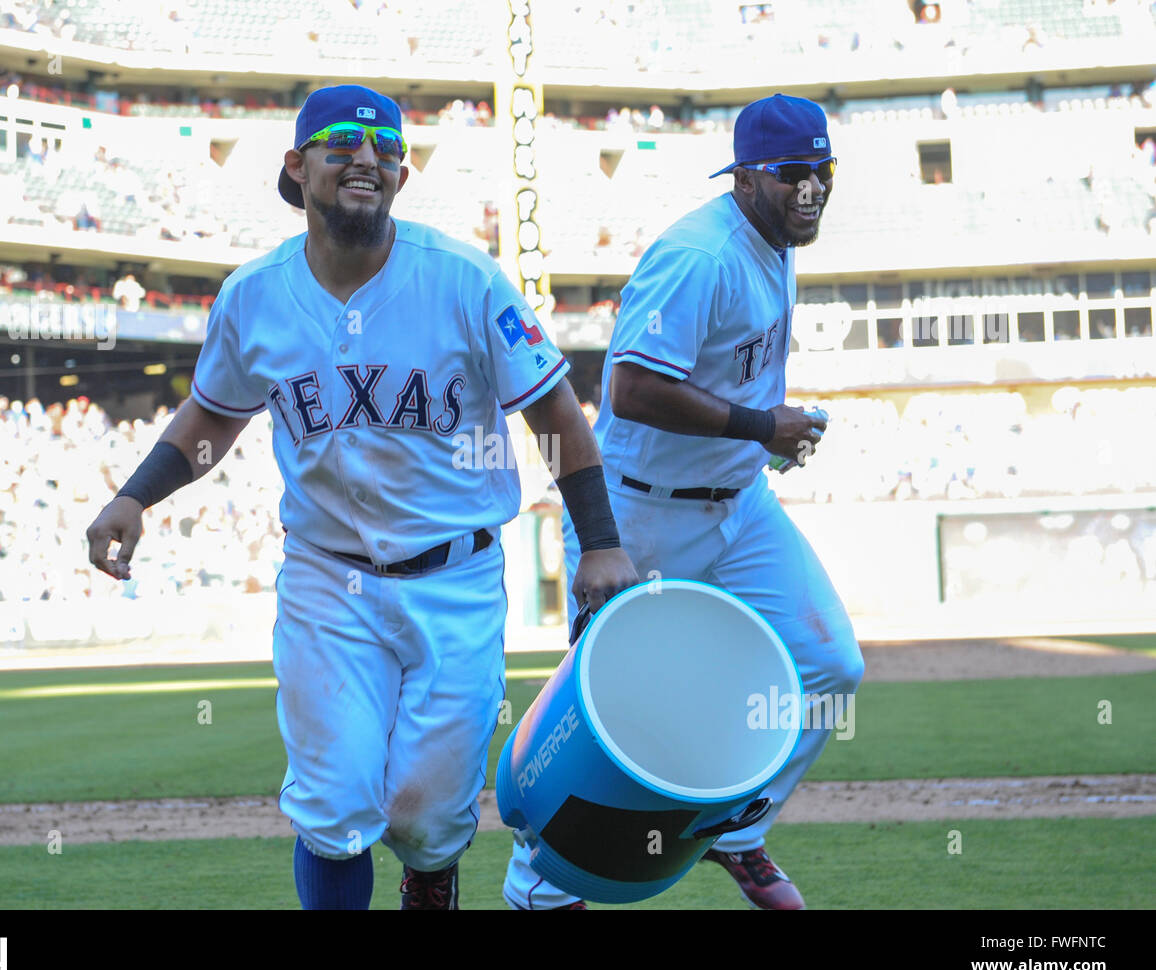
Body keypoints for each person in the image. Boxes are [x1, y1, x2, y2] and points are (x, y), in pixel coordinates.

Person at [84, 84, 639, 910]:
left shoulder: (463, 278)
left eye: (384, 149)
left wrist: (598, 539)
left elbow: (554, 410)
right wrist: (135, 497)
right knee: (333, 805)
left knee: (426, 817)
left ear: (401, 177)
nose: (366, 160)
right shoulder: (255, 295)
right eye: (343, 144)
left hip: (454, 578)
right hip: (326, 579)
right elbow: (212, 414)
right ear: (296, 165)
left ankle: (432, 873)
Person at [503, 93, 865, 910]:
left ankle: (737, 832)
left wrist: (762, 434)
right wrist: (761, 423)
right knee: (609, 717)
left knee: (829, 668)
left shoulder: (774, 239)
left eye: (822, 172)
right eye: (791, 175)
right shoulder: (700, 254)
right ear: (743, 176)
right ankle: (540, 888)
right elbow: (627, 388)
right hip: (645, 516)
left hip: (737, 503)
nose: (810, 190)